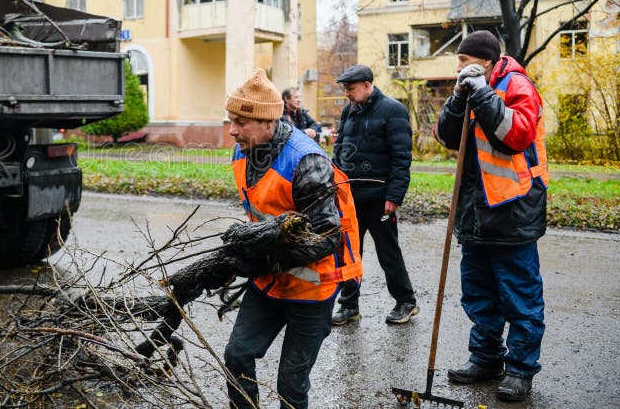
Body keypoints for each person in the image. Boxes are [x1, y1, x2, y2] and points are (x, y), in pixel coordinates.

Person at [223, 68, 362, 409]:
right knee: (237, 355)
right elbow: (260, 216)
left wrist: (266, 257)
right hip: (268, 282)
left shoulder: (307, 161)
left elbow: (328, 236)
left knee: (291, 385)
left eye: (241, 122)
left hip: (311, 289)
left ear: (268, 122)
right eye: (231, 120)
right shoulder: (243, 151)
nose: (232, 131)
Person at [434, 30, 548, 403]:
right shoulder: (470, 87)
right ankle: (485, 359)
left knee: (519, 295)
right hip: (475, 210)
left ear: (485, 60)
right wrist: (457, 98)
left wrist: (482, 94)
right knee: (480, 292)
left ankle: (520, 370)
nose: (459, 68)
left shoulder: (517, 86)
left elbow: (515, 136)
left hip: (512, 209)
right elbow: (446, 136)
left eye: (463, 61)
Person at [331, 64, 418, 325]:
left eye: (351, 89)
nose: (347, 94)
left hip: (380, 199)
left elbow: (402, 158)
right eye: (345, 89)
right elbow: (339, 148)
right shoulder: (349, 111)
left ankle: (406, 302)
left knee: (388, 252)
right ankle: (349, 306)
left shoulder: (393, 110)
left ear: (368, 85)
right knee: (348, 253)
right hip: (350, 198)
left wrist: (395, 196)